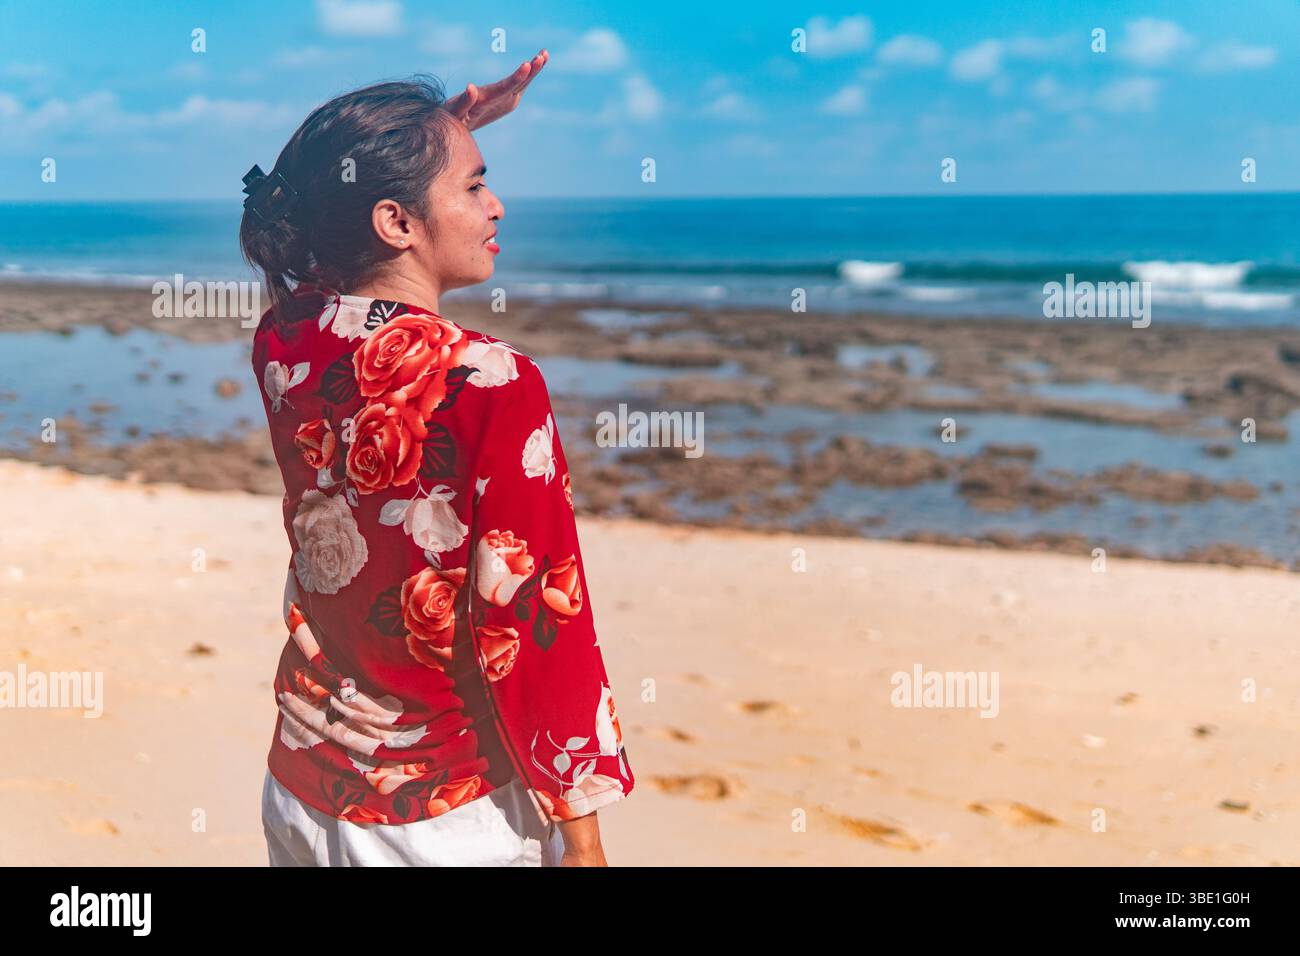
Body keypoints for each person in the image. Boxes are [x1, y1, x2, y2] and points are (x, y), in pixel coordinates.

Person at [242, 52, 634, 867]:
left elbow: (324, 233)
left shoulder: (286, 341)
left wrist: (434, 139)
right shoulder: (491, 380)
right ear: (396, 221)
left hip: (305, 787)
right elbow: (530, 621)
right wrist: (583, 837)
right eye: (474, 184)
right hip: (447, 821)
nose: (496, 205)